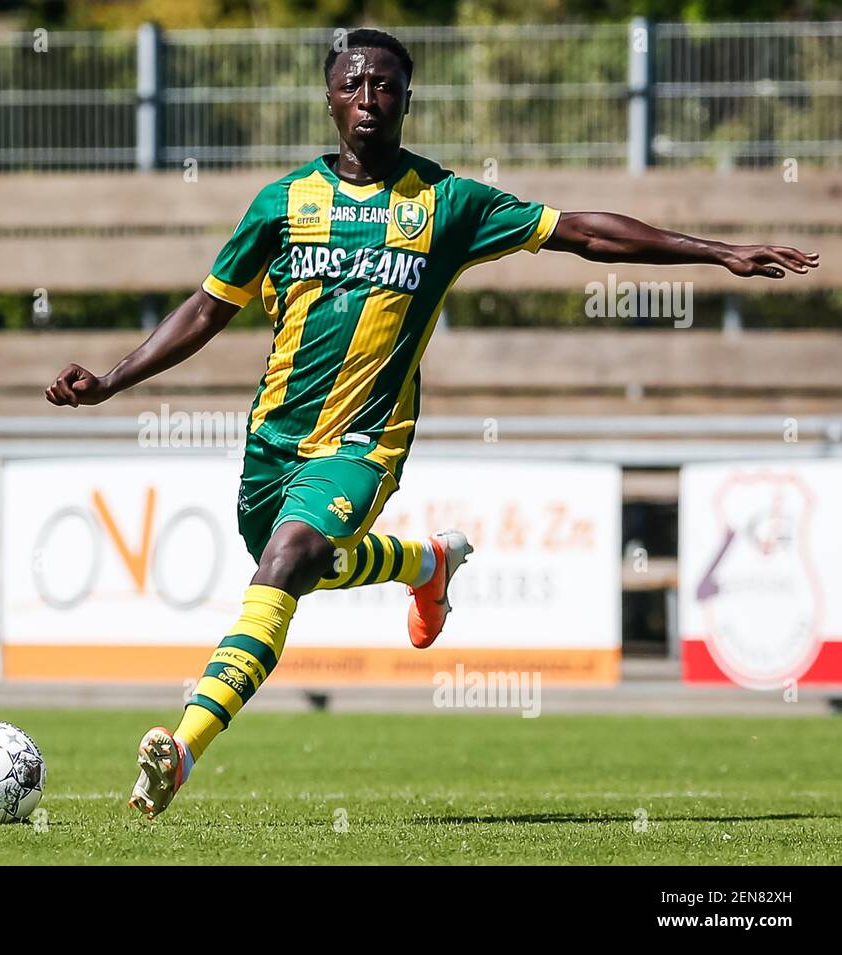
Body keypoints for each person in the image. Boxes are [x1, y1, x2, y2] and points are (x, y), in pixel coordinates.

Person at [44, 28, 820, 819]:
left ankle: (182, 747)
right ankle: (425, 561)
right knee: (295, 563)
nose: (369, 98)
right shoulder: (282, 204)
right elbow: (208, 308)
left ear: (407, 99)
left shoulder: (447, 204)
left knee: (288, 559)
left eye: (385, 85)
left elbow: (582, 232)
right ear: (329, 98)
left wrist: (715, 252)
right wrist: (110, 380)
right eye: (353, 84)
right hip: (273, 443)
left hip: (364, 445)